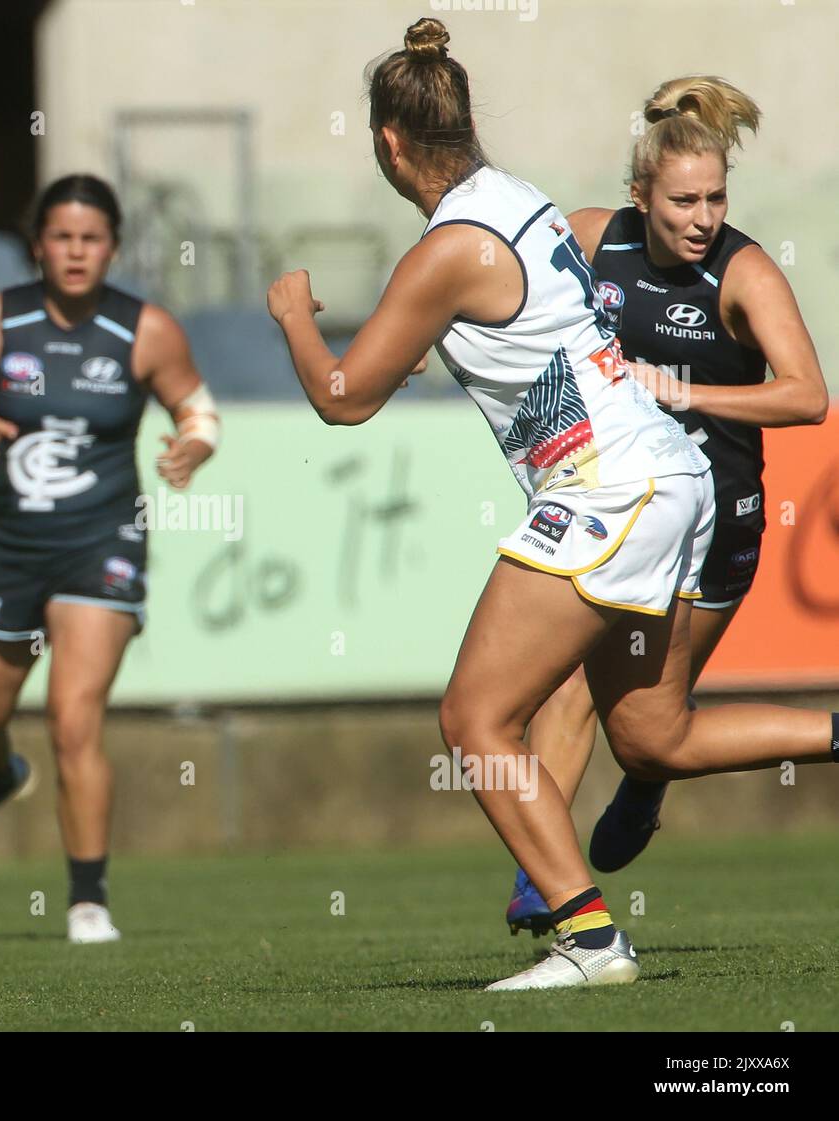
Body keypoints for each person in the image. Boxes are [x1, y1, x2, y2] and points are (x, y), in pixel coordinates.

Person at [267, 17, 836, 990]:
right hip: (671, 478)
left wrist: (291, 317)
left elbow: (341, 398)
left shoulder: (449, 247)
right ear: (466, 126)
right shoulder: (521, 201)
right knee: (648, 733)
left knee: (473, 719)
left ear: (389, 143)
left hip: (608, 488)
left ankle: (588, 935)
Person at [505, 77, 828, 936]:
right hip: (624, 505)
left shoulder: (746, 272)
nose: (704, 217)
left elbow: (808, 398)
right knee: (575, 684)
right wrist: (423, 337)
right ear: (638, 195)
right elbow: (495, 279)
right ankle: (545, 875)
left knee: (649, 730)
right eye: (683, 199)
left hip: (720, 521)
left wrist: (685, 392)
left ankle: (640, 787)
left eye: (717, 197)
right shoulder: (589, 240)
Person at [0, 174, 219, 944]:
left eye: (92, 239)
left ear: (113, 247)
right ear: (38, 245)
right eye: (62, 237)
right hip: (10, 548)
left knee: (72, 716)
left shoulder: (145, 329)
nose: (77, 251)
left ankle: (88, 899)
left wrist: (193, 443)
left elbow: (197, 406)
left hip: (102, 545)